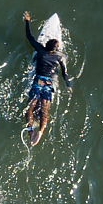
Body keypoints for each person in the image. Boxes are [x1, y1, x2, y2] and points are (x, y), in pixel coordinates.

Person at [19, 11, 74, 143]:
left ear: (46, 45)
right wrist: (69, 85)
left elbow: (29, 37)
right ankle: (41, 131)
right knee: (45, 108)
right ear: (55, 49)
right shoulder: (60, 56)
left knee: (31, 105)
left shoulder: (41, 50)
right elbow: (64, 73)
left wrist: (27, 21)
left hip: (38, 80)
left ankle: (30, 130)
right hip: (48, 83)